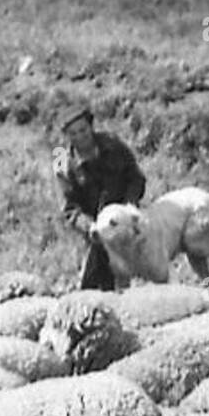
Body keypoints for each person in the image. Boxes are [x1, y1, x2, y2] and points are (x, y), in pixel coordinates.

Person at [55, 104, 148, 290]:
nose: (80, 136)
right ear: (66, 136)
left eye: (83, 130)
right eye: (73, 133)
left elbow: (135, 178)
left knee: (153, 267)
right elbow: (69, 209)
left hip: (126, 220)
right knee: (96, 285)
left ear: (91, 127)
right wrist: (90, 227)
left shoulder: (113, 145)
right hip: (96, 233)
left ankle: (208, 288)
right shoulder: (64, 165)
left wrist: (129, 206)